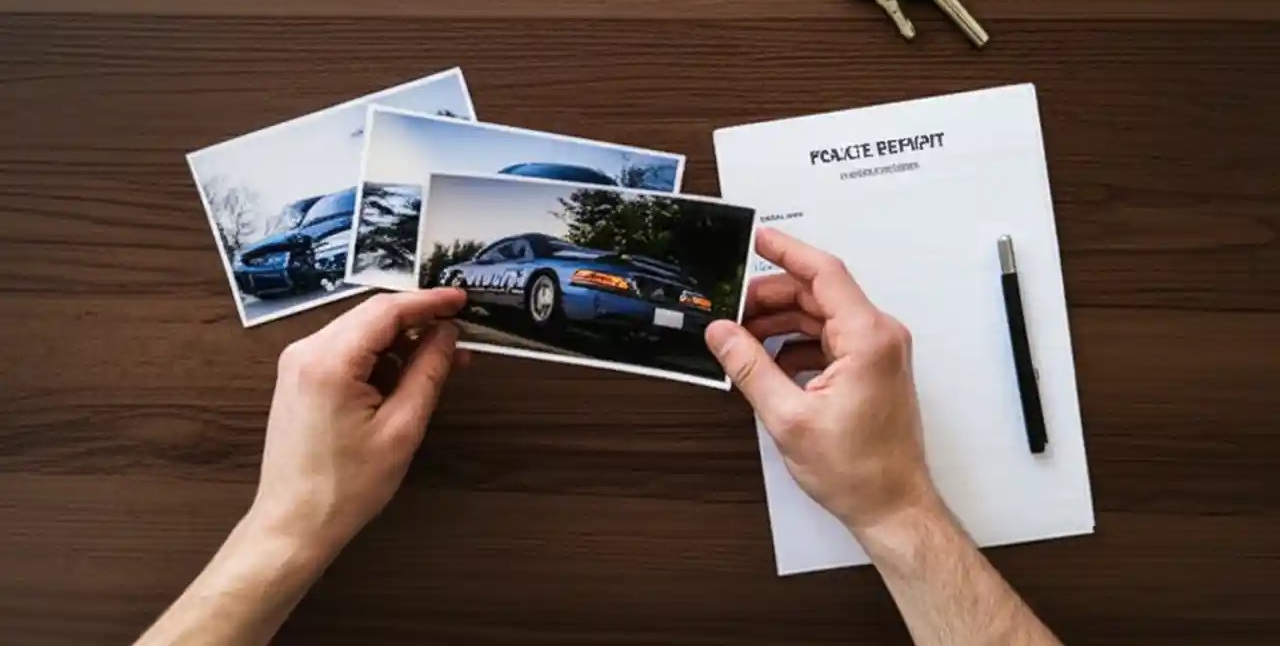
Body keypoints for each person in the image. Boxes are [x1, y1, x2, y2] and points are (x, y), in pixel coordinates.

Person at [136, 228, 1061, 646]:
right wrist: (895, 505)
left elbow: (638, 290)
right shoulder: (529, 262)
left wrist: (286, 526)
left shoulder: (613, 269)